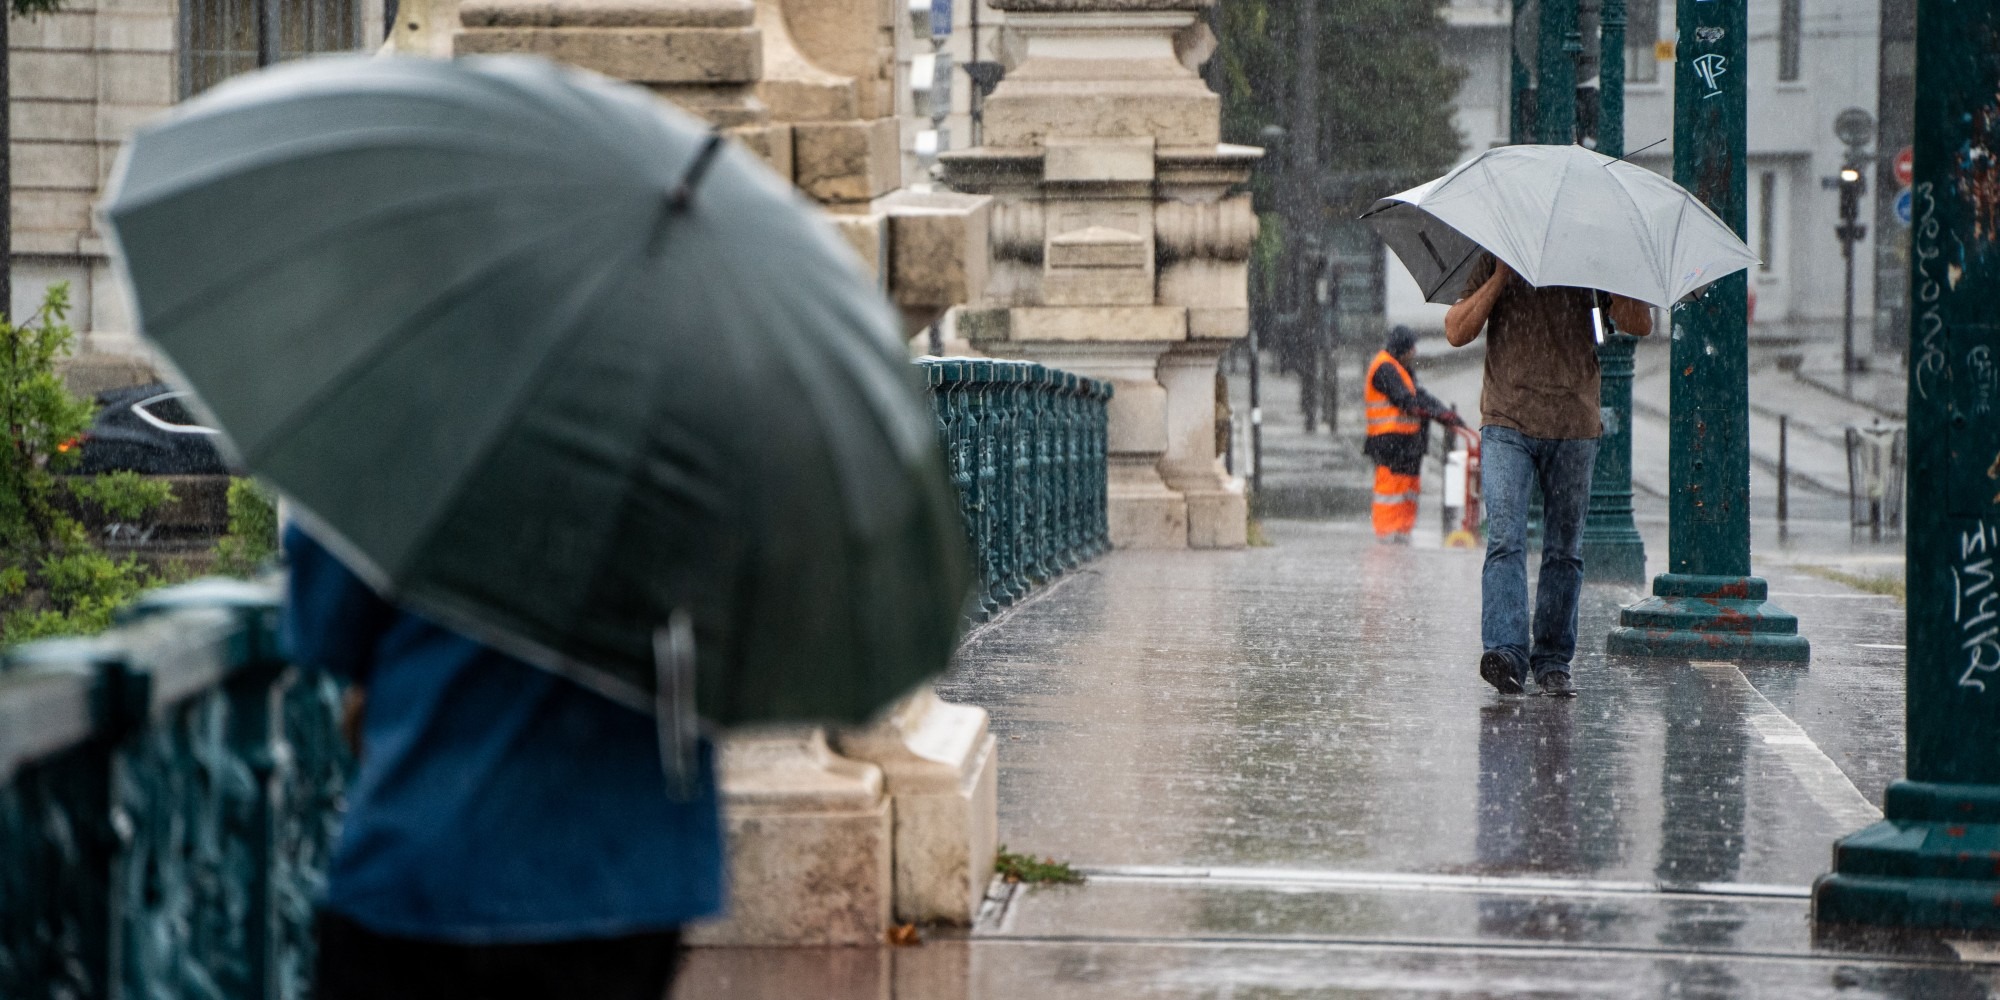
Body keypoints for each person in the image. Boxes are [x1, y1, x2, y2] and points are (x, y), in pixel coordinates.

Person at [283, 524, 724, 1000]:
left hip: (431, 860)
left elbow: (323, 624)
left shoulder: (407, 453)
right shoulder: (709, 460)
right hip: (625, 870)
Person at [1445, 255, 1652, 698]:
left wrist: (1609, 284)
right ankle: (1506, 652)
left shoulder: (1592, 255)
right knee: (1505, 539)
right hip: (1506, 421)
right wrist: (1500, 277)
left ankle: (1554, 661)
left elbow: (1641, 324)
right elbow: (1456, 330)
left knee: (1564, 549)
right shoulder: (1494, 253)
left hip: (1574, 424)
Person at [1363, 325, 1461, 544]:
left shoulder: (1401, 368)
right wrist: (1435, 413)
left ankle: (1402, 531)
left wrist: (1445, 414)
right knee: (1391, 486)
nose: (1414, 352)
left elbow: (1419, 396)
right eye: (1411, 348)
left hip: (1407, 442)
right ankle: (1387, 533)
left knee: (1408, 486)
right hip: (1388, 440)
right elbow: (1406, 400)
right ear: (1402, 349)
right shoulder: (1385, 368)